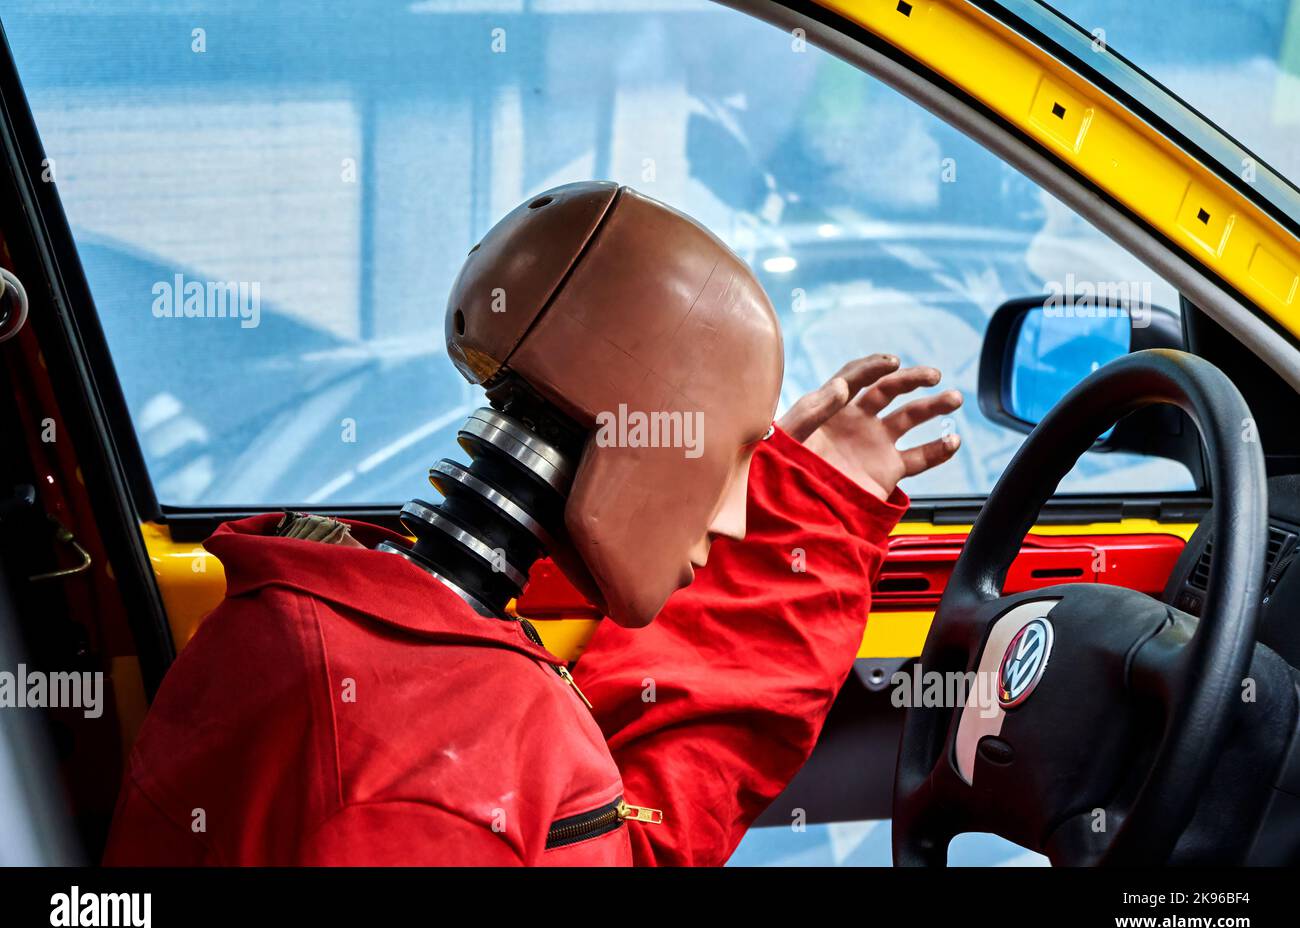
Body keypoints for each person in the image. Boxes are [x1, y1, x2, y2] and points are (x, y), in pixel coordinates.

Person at [103, 182, 962, 865]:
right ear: (639, 438)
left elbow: (616, 831)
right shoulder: (435, 788)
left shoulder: (305, 622)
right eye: (737, 459)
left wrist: (802, 519)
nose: (739, 515)